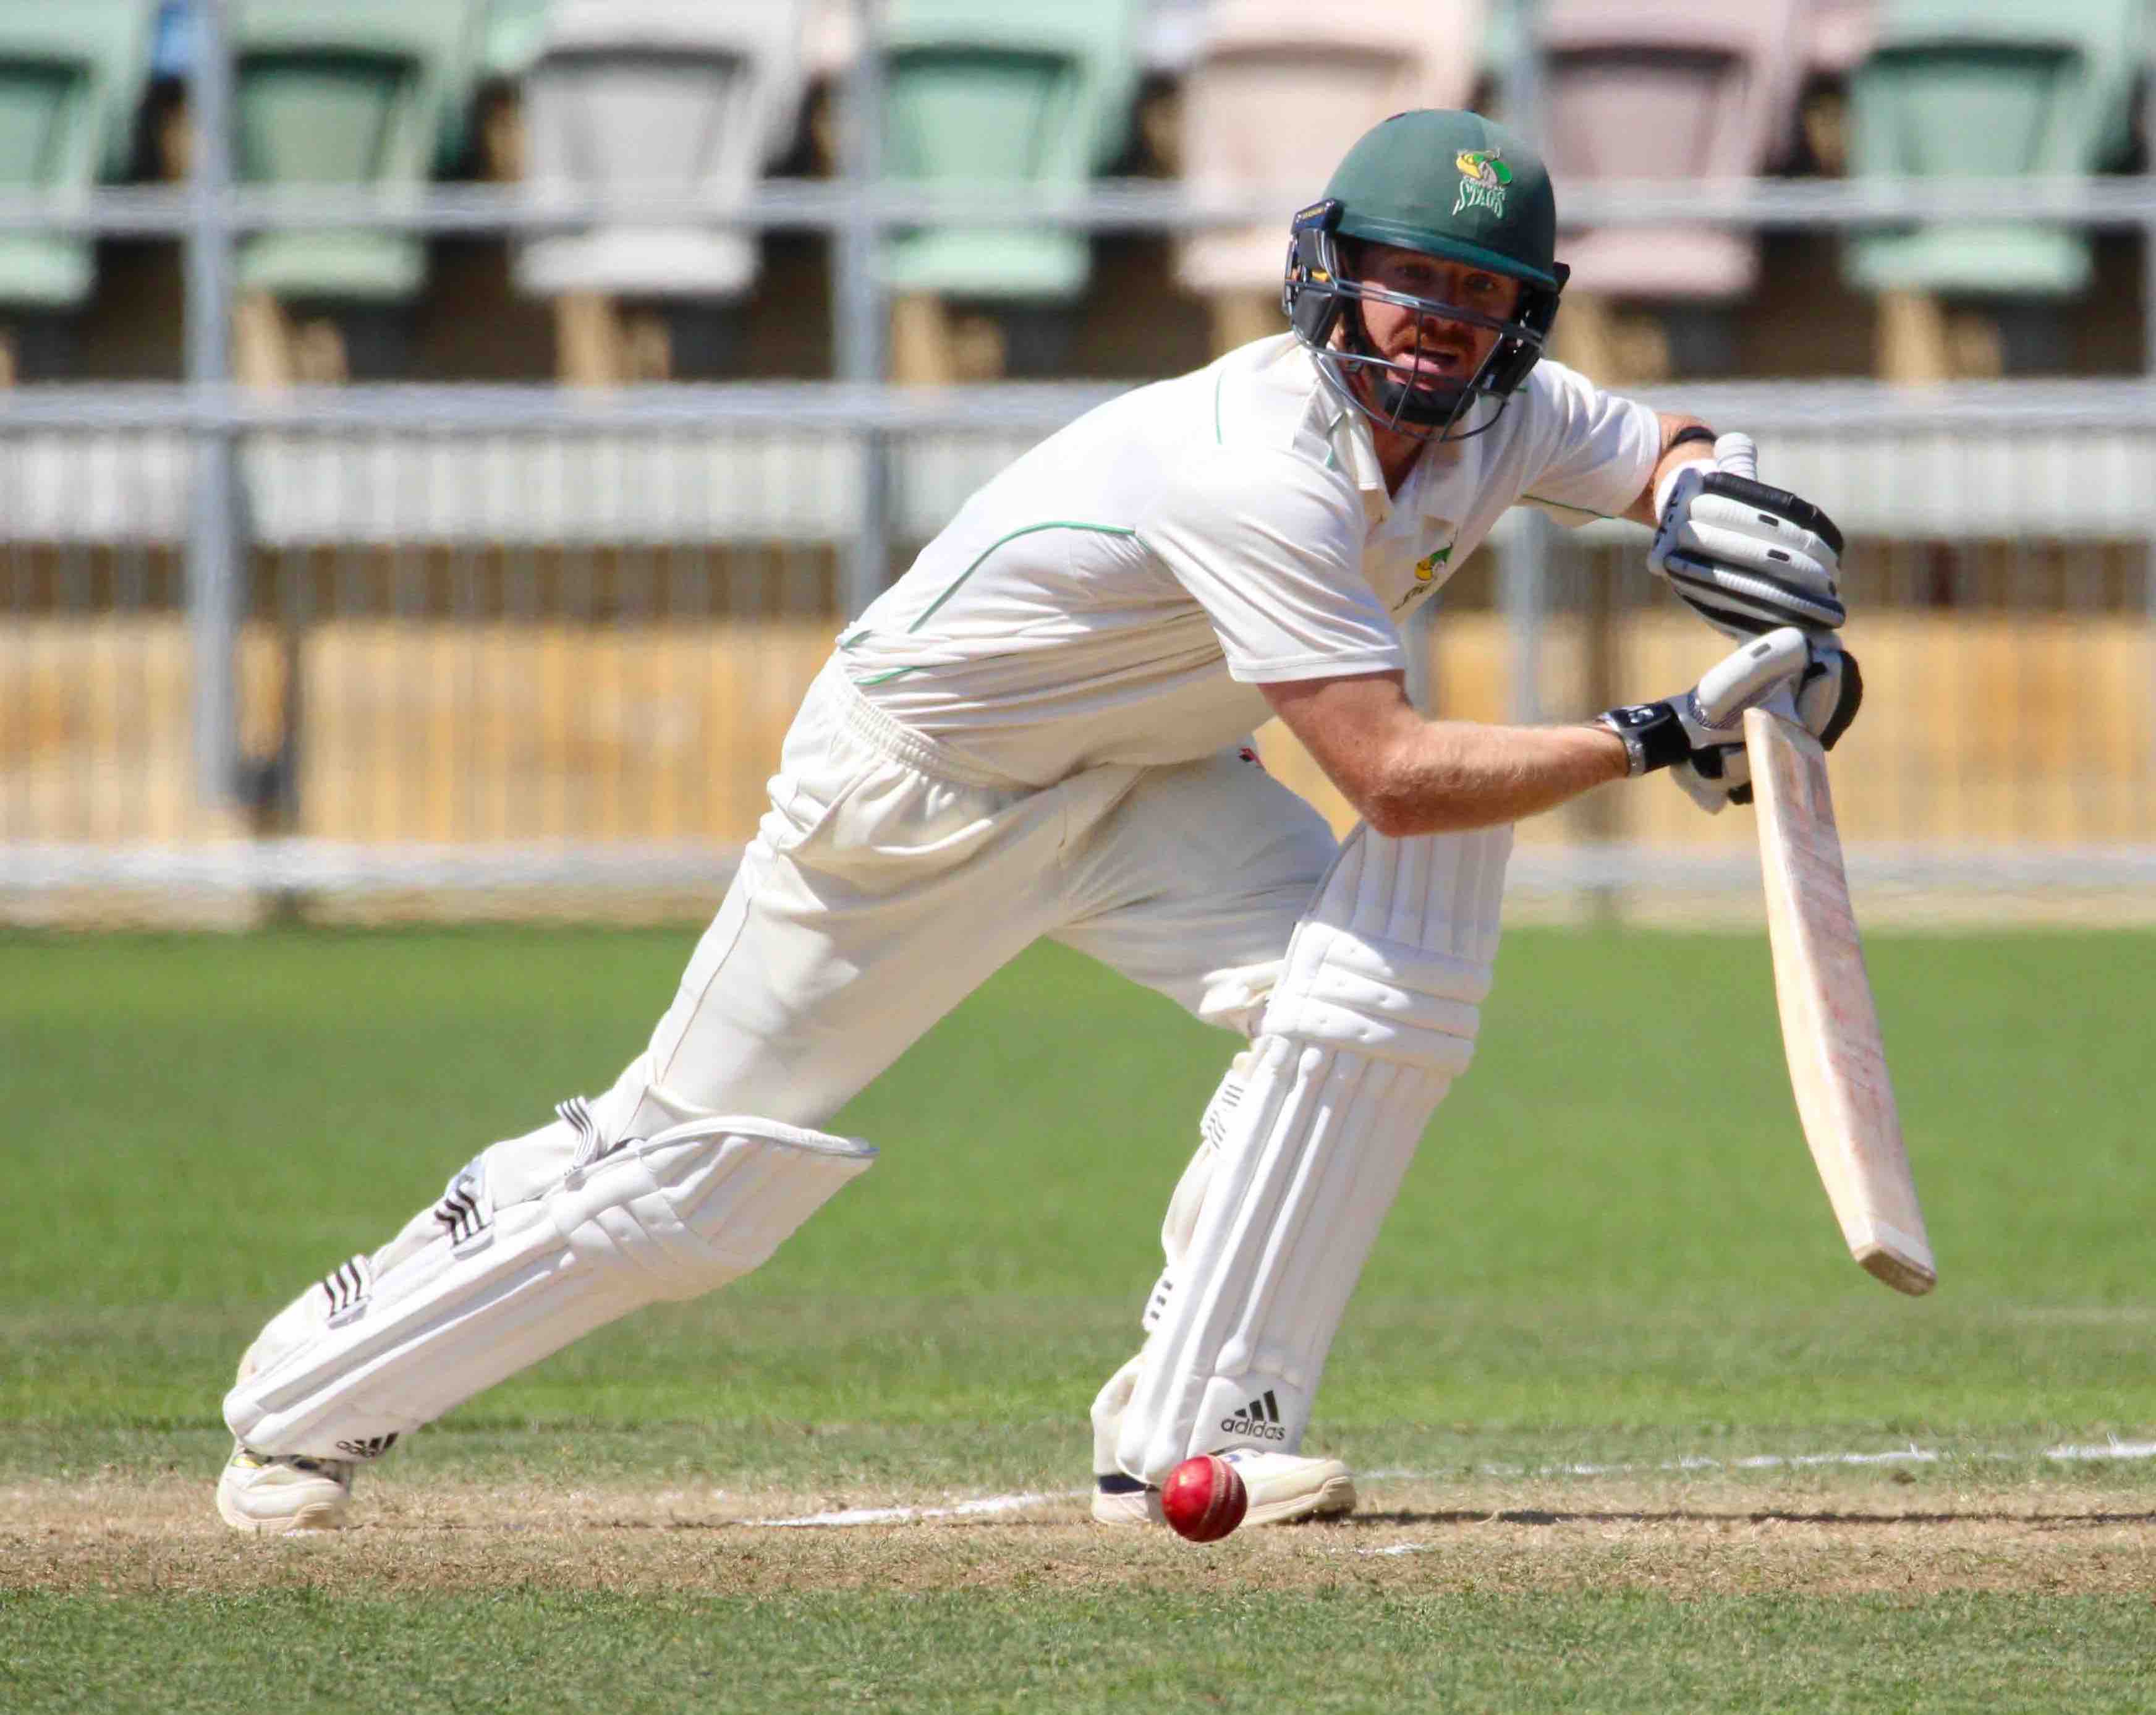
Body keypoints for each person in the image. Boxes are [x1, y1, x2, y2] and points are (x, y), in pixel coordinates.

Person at [216, 109, 1857, 1534]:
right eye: (1409, 277)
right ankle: (304, 1401)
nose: (1435, 321)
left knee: (1366, 1000)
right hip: (920, 792)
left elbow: (1660, 452)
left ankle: (1191, 1438)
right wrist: (1656, 734)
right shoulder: (1254, 464)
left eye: (1477, 291)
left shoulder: (1510, 416)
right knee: (689, 1182)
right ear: (1330, 270)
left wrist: (1736, 564)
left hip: (1151, 786)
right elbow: (1393, 775)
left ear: (1523, 313)